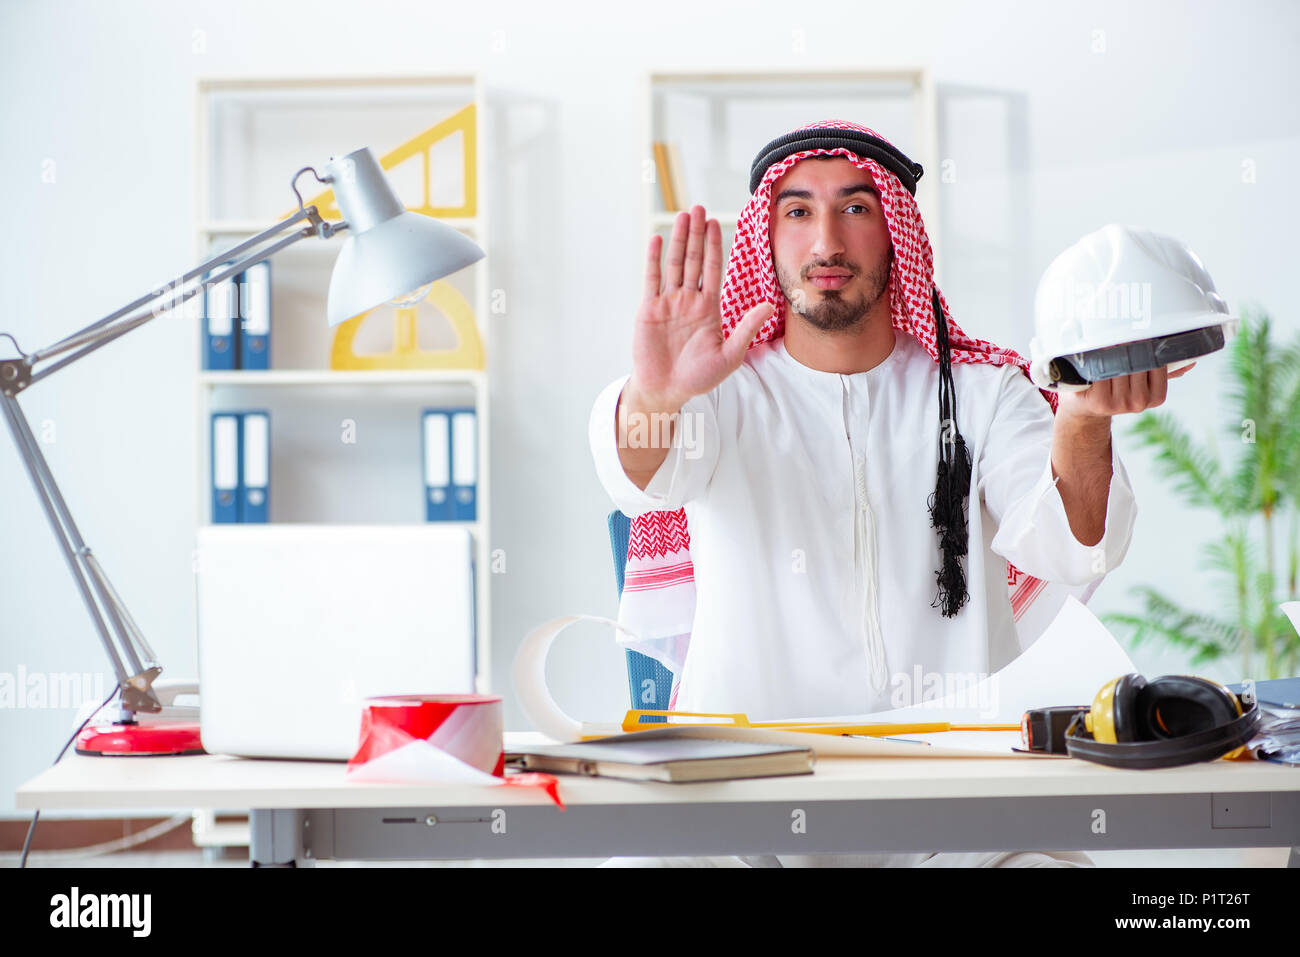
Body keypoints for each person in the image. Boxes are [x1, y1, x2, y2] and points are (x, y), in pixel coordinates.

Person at [587, 120, 1191, 868]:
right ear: (767, 238)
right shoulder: (721, 395)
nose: (826, 243)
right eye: (798, 211)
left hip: (958, 812)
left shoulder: (980, 390)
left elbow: (1070, 543)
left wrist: (1086, 416)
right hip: (743, 806)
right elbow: (641, 475)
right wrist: (653, 394)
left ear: (898, 233)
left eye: (856, 207)